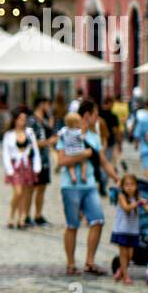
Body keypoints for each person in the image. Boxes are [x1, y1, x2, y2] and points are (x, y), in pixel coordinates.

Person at [56, 99, 120, 276]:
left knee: (98, 220)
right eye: (95, 115)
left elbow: (103, 161)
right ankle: (70, 264)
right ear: (87, 116)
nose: (97, 118)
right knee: (72, 225)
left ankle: (89, 262)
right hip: (70, 185)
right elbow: (61, 161)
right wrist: (82, 154)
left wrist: (116, 178)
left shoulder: (93, 136)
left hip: (90, 184)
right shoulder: (66, 134)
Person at [3, 107, 41, 229]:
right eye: (20, 118)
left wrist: (36, 165)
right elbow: (6, 153)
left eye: (24, 119)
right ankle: (12, 214)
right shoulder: (9, 135)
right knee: (18, 192)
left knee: (25, 193)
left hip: (26, 165)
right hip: (15, 165)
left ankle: (22, 218)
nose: (22, 121)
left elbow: (35, 149)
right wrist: (9, 169)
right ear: (15, 120)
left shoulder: (29, 132)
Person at [27, 97, 57, 226]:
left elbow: (50, 133)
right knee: (32, 188)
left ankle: (38, 215)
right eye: (48, 105)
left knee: (42, 187)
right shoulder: (31, 121)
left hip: (45, 158)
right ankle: (27, 215)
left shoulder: (44, 120)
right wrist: (48, 143)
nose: (49, 107)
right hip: (35, 159)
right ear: (41, 105)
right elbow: (30, 142)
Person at [111, 172, 145, 285]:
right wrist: (137, 203)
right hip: (122, 229)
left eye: (132, 184)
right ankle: (126, 277)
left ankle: (120, 270)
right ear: (122, 186)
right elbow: (126, 208)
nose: (129, 187)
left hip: (132, 230)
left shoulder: (137, 197)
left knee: (130, 255)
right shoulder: (121, 196)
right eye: (127, 185)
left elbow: (147, 210)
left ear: (136, 186)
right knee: (123, 253)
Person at [56, 113, 90, 184]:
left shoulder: (65, 130)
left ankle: (73, 177)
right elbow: (82, 138)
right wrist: (84, 132)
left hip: (69, 152)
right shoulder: (77, 132)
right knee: (83, 163)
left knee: (71, 165)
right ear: (76, 123)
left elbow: (59, 134)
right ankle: (83, 175)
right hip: (79, 151)